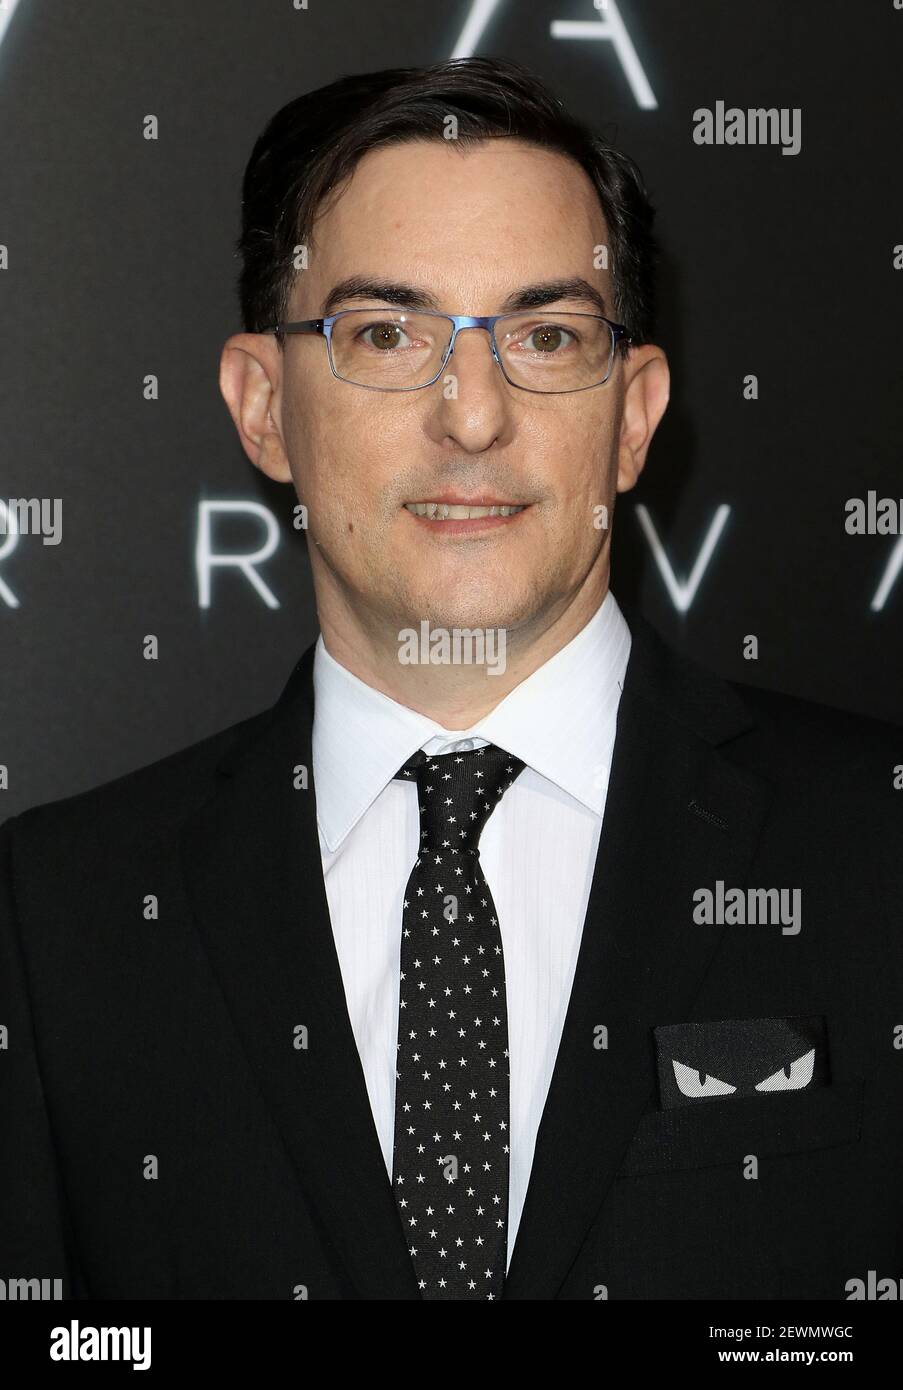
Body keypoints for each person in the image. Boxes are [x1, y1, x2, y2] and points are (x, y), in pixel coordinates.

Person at [1, 56, 900, 1302]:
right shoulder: (59, 923)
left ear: (634, 417)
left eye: (544, 334)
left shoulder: (877, 852)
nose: (471, 414)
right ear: (262, 406)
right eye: (385, 333)